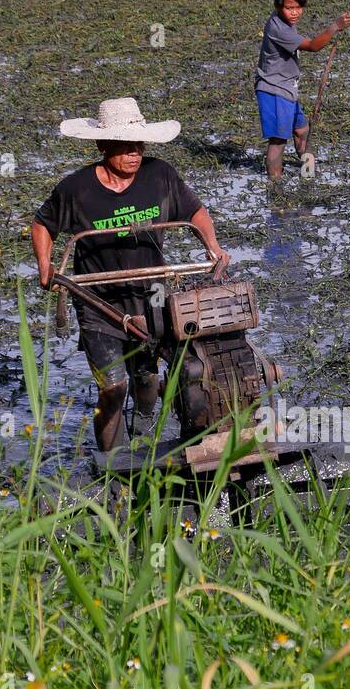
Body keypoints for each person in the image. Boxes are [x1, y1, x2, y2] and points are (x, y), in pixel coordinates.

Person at [31, 97, 229, 452]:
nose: (134, 154)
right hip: (97, 302)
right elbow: (42, 224)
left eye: (138, 146)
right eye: (124, 147)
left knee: (146, 380)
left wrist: (212, 246)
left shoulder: (160, 175)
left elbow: (195, 211)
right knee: (113, 388)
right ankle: (113, 465)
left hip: (151, 296)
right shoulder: (76, 189)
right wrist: (45, 265)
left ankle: (144, 423)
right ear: (102, 145)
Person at [255, 0, 350, 178]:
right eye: (289, 8)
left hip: (288, 89)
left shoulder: (285, 22)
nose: (295, 12)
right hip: (274, 89)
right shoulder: (277, 28)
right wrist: (334, 27)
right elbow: (313, 46)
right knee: (278, 141)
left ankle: (308, 174)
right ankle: (276, 187)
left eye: (299, 8)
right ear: (277, 6)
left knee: (302, 131)